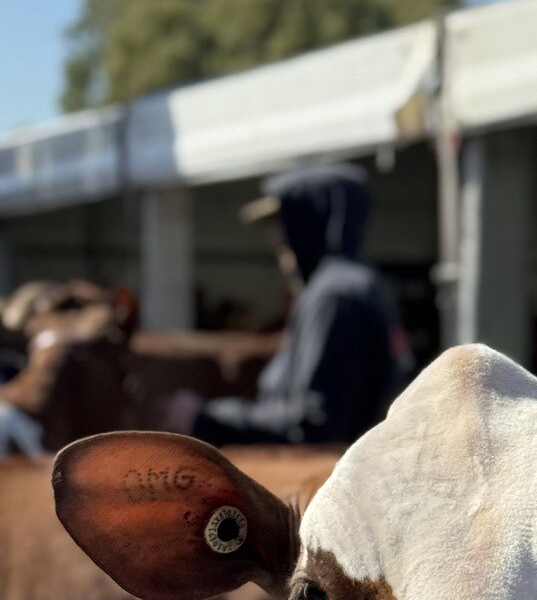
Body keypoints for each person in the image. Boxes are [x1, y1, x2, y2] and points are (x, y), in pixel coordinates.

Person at [167, 161, 407, 447]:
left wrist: (205, 418)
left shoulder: (332, 296)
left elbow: (312, 425)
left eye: (282, 221)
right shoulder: (363, 284)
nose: (275, 237)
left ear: (307, 222)